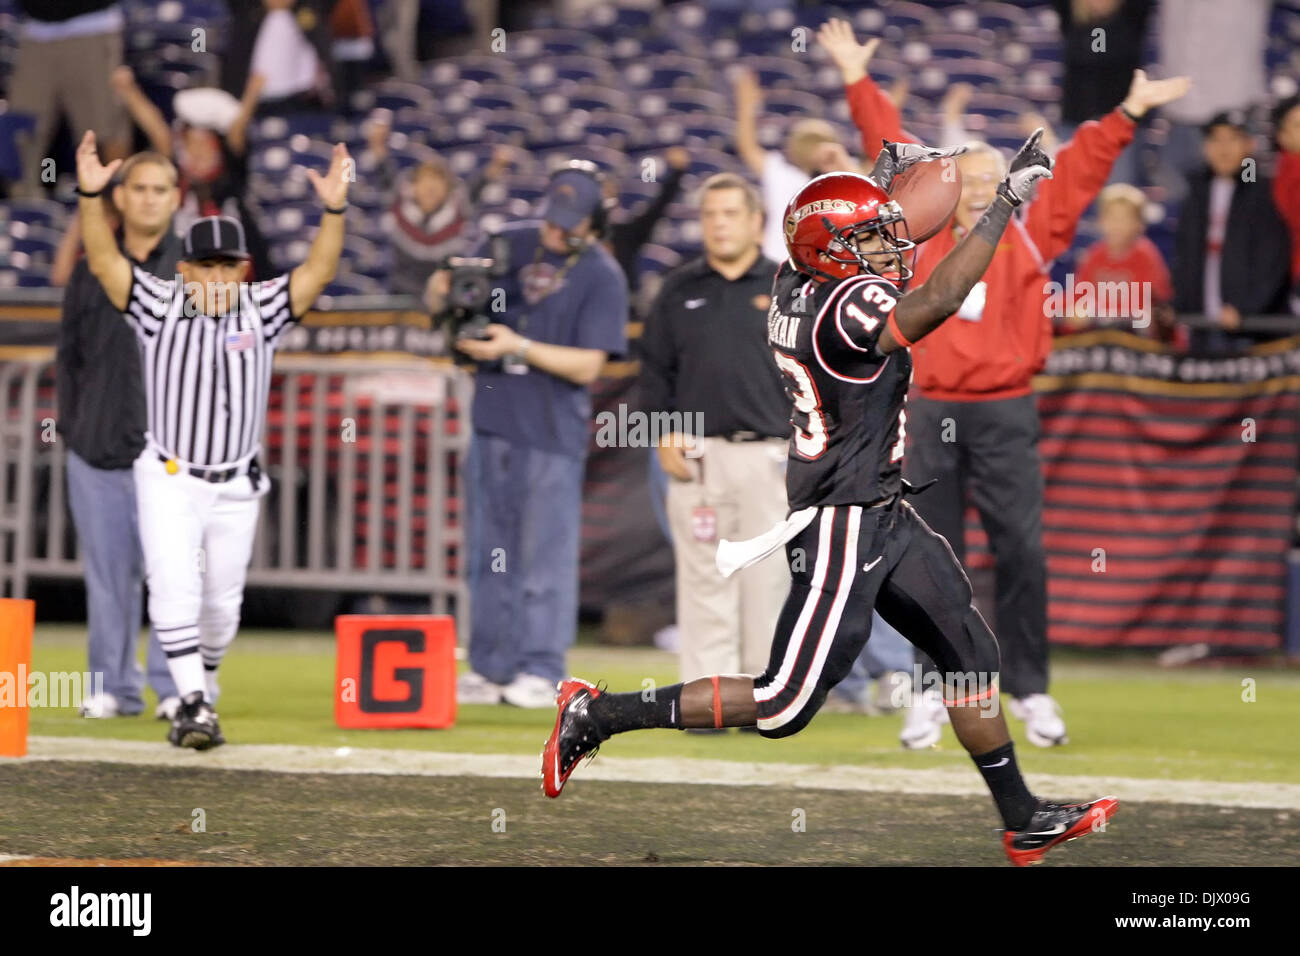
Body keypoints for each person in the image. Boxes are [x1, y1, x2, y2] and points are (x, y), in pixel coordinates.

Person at [543, 137, 1122, 867]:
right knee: (784, 703)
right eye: (869, 238)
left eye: (882, 232)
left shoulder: (792, 278)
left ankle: (1022, 817)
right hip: (844, 519)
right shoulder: (843, 310)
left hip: (880, 506)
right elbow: (940, 298)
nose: (888, 245)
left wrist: (875, 182)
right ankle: (596, 714)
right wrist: (1005, 202)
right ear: (835, 250)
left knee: (970, 653)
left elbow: (830, 233)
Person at [819, 17, 1189, 748]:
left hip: (1007, 410)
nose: (985, 190)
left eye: (996, 179)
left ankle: (1031, 688)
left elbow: (1080, 167)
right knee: (925, 555)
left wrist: (1128, 112)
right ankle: (932, 688)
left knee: (1022, 548)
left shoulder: (1030, 227)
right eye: (973, 181)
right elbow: (887, 150)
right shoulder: (920, 234)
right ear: (950, 189)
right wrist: (857, 79)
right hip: (928, 410)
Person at [73, 129, 352, 749]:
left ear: (242, 269)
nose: (219, 277)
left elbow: (320, 269)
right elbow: (102, 262)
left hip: (237, 483)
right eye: (207, 266)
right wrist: (92, 198)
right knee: (174, 586)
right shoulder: (156, 304)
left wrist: (334, 208)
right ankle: (192, 704)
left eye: (229, 266)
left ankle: (199, 685)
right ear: (186, 268)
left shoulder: (264, 307)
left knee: (222, 609)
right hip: (170, 474)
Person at [427, 161, 628, 709]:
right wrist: (441, 292)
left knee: (544, 558)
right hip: (493, 424)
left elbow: (589, 366)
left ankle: (541, 666)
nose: (555, 231)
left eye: (569, 222)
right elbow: (453, 308)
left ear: (594, 221)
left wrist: (516, 346)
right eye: (552, 218)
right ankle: (490, 665)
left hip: (549, 433)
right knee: (488, 555)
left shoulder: (602, 274)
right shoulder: (507, 247)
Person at [639, 173, 789, 704]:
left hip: (769, 456)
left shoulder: (786, 286)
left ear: (756, 222)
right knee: (704, 580)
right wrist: (660, 433)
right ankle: (707, 699)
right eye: (710, 215)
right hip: (696, 455)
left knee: (766, 580)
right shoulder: (678, 290)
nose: (719, 224)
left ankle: (764, 695)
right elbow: (655, 372)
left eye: (730, 214)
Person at [56, 151, 182, 720]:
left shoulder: (197, 268)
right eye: (141, 188)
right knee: (107, 579)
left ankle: (177, 689)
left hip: (172, 453)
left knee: (175, 577)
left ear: (176, 198)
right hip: (97, 447)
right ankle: (113, 687)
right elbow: (70, 357)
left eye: (162, 188)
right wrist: (74, 428)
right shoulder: (89, 269)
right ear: (121, 197)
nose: (151, 198)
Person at [1173, 110, 1292, 352]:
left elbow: (1272, 259)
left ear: (1249, 144)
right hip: (1201, 324)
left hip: (1249, 329)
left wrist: (1245, 308)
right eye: (1215, 139)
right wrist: (1182, 306)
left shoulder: (1260, 190)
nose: (1223, 148)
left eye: (1232, 139)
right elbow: (1184, 255)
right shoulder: (1197, 192)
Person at [732, 67, 858, 263]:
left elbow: (871, 189)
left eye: (818, 141)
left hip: (829, 265)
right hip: (778, 263)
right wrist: (746, 106)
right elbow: (747, 147)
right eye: (806, 142)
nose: (812, 149)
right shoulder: (780, 172)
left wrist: (841, 162)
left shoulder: (844, 176)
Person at [7, 0, 129, 197]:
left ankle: (114, 209)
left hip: (92, 28)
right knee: (20, 136)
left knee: (103, 134)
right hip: (35, 32)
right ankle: (23, 212)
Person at [1067, 183, 1179, 345]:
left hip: (1137, 342)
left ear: (1139, 224)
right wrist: (1077, 311)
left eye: (1125, 218)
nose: (1117, 225)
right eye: (1111, 218)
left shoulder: (1147, 256)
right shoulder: (1094, 255)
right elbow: (1078, 299)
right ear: (1100, 221)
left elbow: (1160, 303)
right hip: (1098, 340)